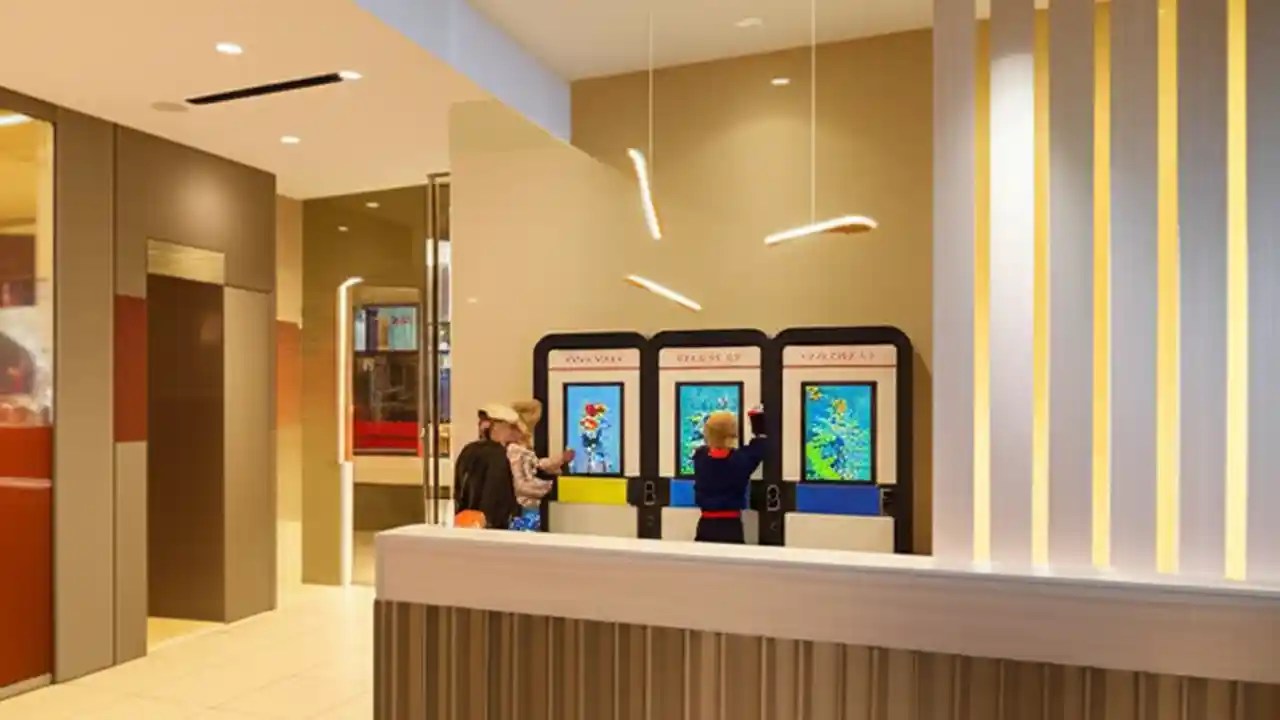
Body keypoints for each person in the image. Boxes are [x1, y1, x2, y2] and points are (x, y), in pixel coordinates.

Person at [691, 407, 768, 544]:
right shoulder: (739, 461)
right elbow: (759, 446)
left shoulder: (700, 458)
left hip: (705, 526)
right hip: (731, 526)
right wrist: (757, 420)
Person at [506, 400, 573, 531]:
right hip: (524, 507)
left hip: (528, 507)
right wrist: (552, 486)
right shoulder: (516, 451)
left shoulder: (520, 450)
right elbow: (522, 485)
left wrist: (560, 459)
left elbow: (536, 464)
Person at [454, 403, 523, 529]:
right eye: (509, 427)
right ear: (497, 427)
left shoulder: (469, 450)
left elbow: (459, 490)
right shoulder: (498, 454)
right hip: (489, 528)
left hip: (464, 523)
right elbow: (495, 495)